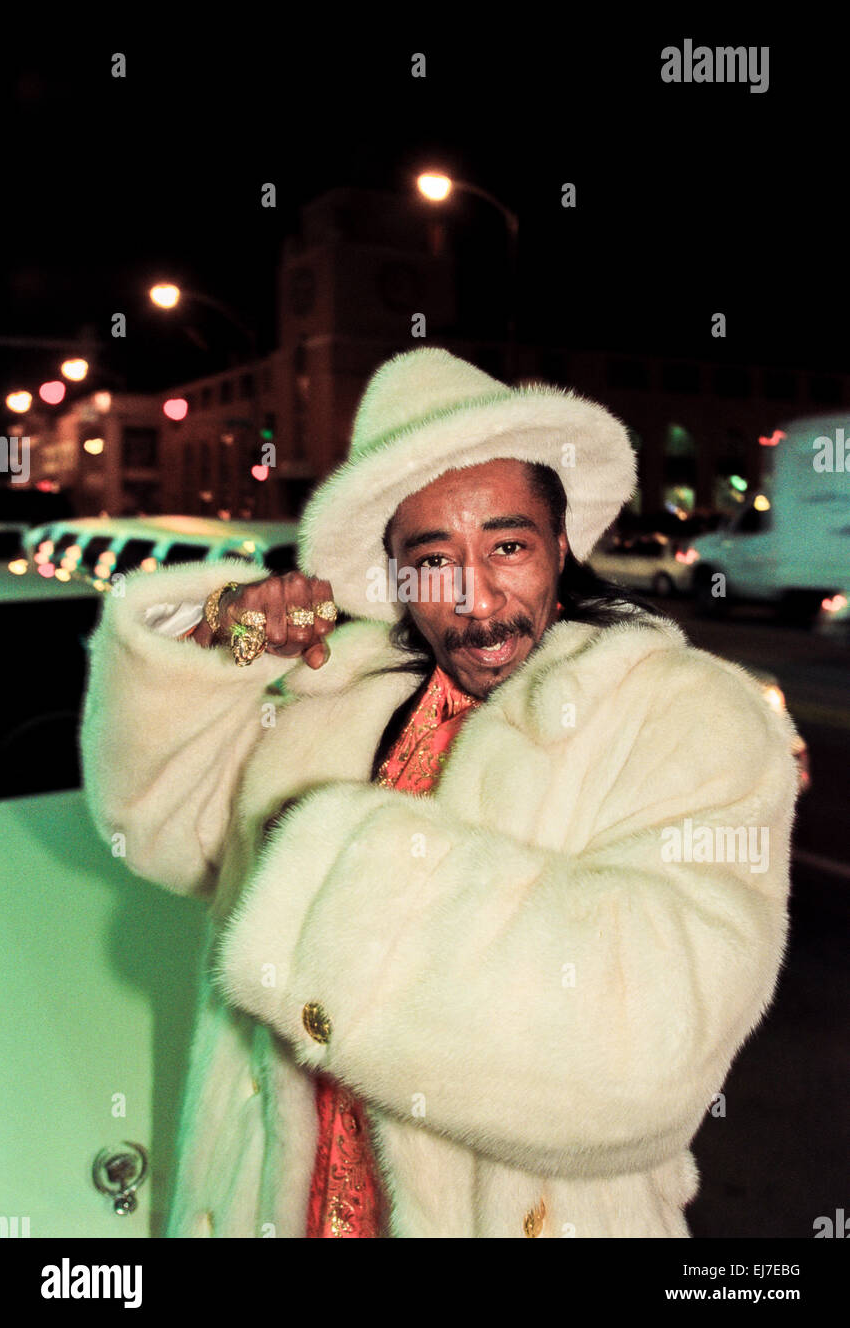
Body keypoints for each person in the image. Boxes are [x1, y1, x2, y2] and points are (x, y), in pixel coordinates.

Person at [80, 346, 800, 1238]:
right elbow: (155, 832)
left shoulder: (681, 713)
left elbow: (650, 1049)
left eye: (507, 545)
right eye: (431, 559)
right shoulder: (334, 699)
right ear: (392, 573)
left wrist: (332, 869)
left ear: (562, 544)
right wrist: (221, 647)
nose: (474, 595)